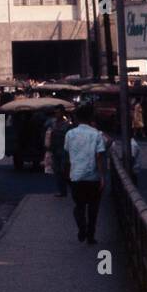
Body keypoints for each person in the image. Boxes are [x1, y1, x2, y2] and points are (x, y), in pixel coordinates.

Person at [64, 103, 108, 244]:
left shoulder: (70, 134)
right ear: (90, 117)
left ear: (76, 118)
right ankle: (90, 235)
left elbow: (67, 151)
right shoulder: (96, 134)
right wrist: (102, 177)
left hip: (76, 175)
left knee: (79, 206)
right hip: (93, 176)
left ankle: (81, 228)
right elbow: (99, 156)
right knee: (93, 207)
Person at [44, 106, 71, 198]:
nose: (57, 114)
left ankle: (69, 190)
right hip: (55, 149)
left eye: (59, 112)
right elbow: (45, 127)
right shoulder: (52, 122)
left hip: (64, 150)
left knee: (65, 171)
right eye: (55, 112)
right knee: (57, 171)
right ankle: (62, 191)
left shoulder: (67, 123)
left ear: (63, 113)